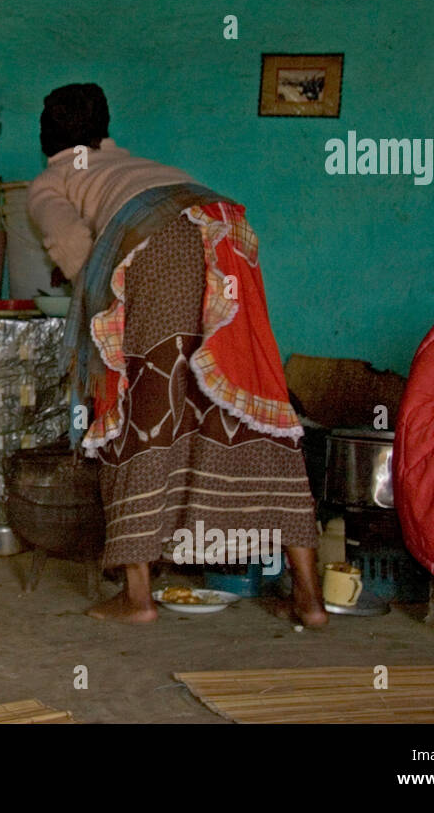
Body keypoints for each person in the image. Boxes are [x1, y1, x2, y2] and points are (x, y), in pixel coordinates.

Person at [27, 84, 328, 627]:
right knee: (249, 399)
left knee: (142, 405)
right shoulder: (140, 165)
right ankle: (310, 597)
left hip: (158, 246)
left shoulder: (51, 180)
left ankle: (138, 597)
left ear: (45, 135)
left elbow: (78, 255)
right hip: (225, 230)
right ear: (104, 128)